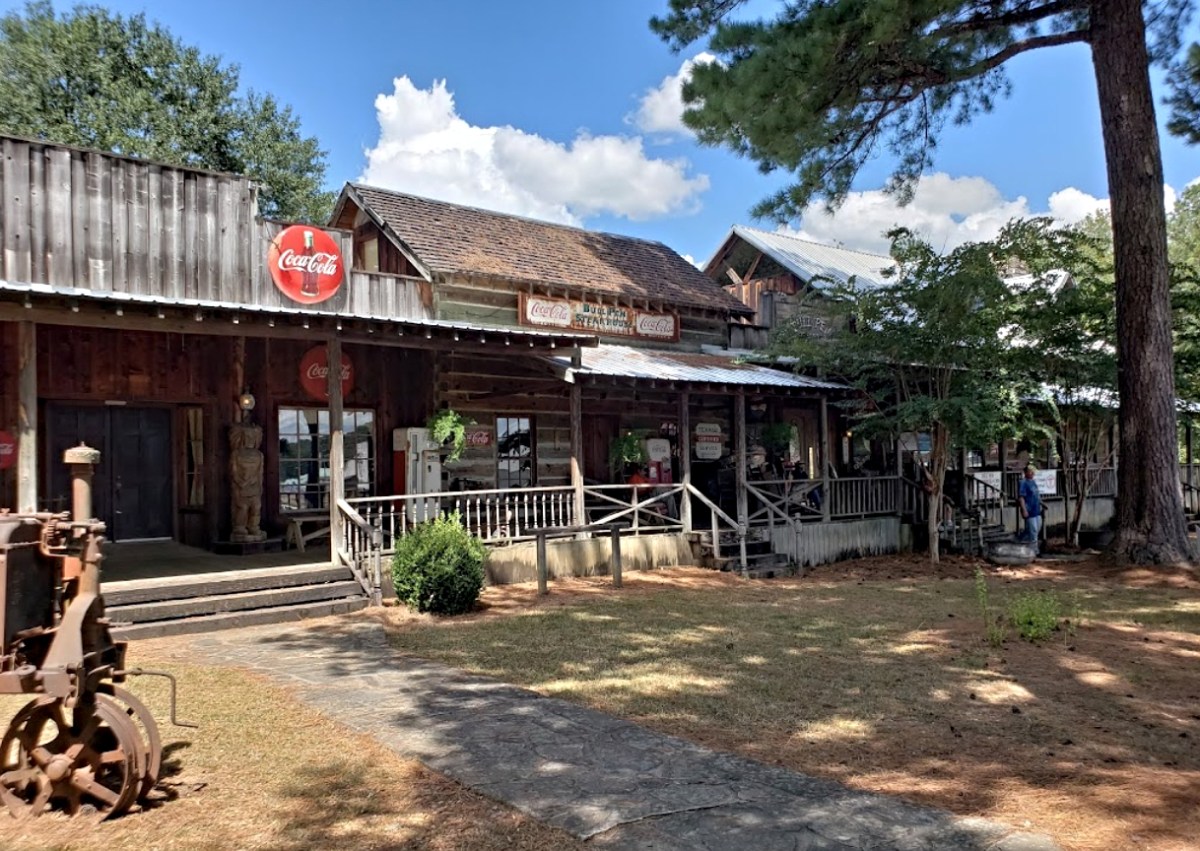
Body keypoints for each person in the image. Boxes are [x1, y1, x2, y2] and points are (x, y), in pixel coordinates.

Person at [1018, 464, 1042, 553]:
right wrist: (1024, 509)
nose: (1032, 473)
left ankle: (1021, 542)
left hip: (1037, 509)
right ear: (1026, 472)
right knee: (1033, 531)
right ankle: (1034, 550)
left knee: (1035, 529)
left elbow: (1036, 496)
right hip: (1029, 510)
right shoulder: (1023, 483)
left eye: (1033, 471)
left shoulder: (1033, 482)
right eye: (1030, 471)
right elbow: (1021, 497)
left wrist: (1042, 503)